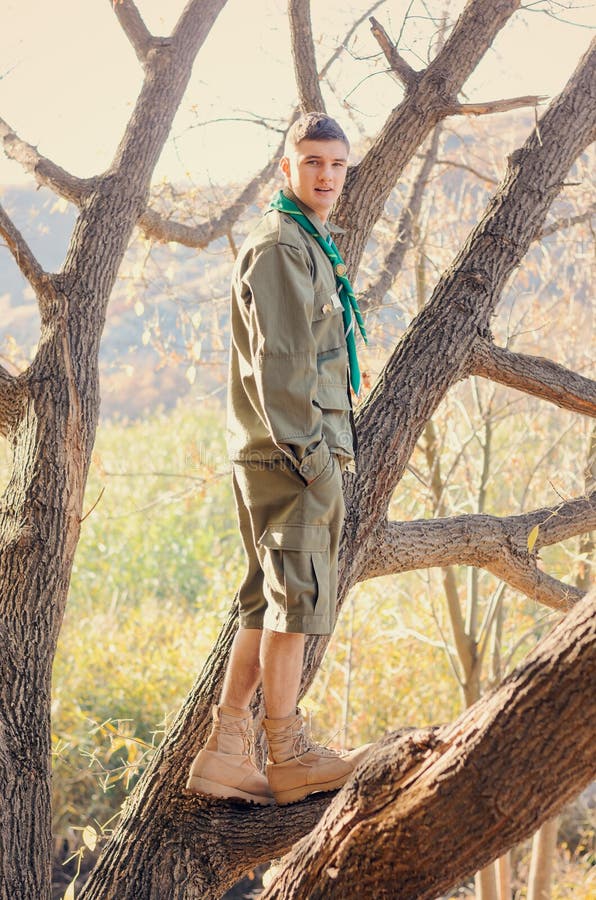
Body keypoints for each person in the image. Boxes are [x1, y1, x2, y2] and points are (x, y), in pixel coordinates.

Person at [186, 113, 369, 806]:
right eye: (312, 162)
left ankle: (227, 750)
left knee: (270, 599)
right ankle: (286, 754)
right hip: (291, 456)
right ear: (285, 168)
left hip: (286, 452)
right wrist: (313, 457)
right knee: (299, 602)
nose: (325, 175)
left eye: (336, 164)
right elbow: (283, 363)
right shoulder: (282, 247)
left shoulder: (305, 242)